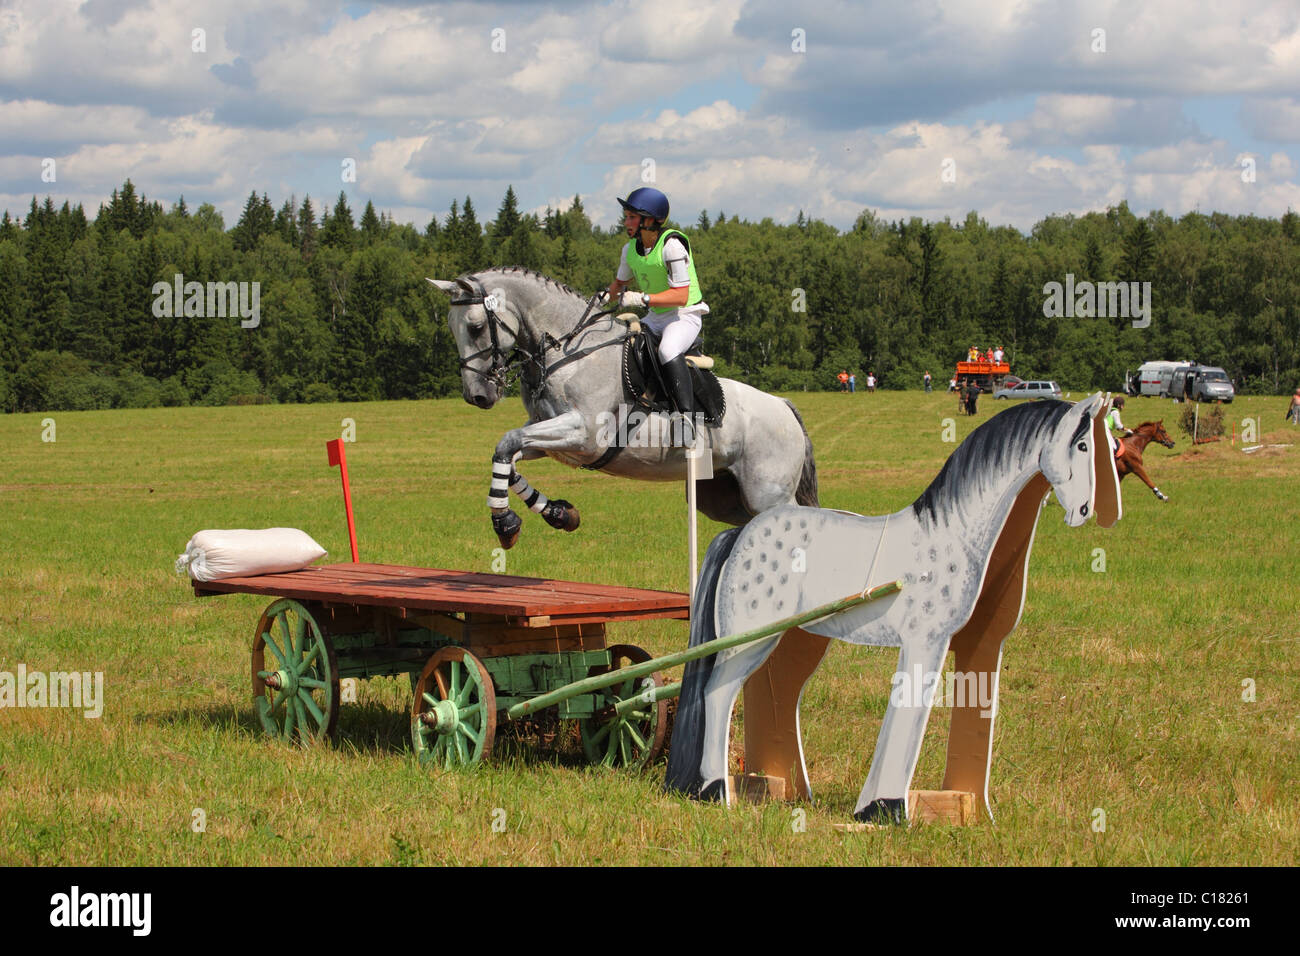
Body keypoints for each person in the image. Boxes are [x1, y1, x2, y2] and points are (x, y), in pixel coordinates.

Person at [605, 187, 708, 444]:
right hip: (657, 316)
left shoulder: (672, 245)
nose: (625, 221)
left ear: (649, 220)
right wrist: (602, 300)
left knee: (667, 350)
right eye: (626, 216)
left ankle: (686, 419)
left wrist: (641, 298)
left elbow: (681, 296)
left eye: (631, 217)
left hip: (685, 315)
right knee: (623, 345)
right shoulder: (629, 250)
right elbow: (618, 285)